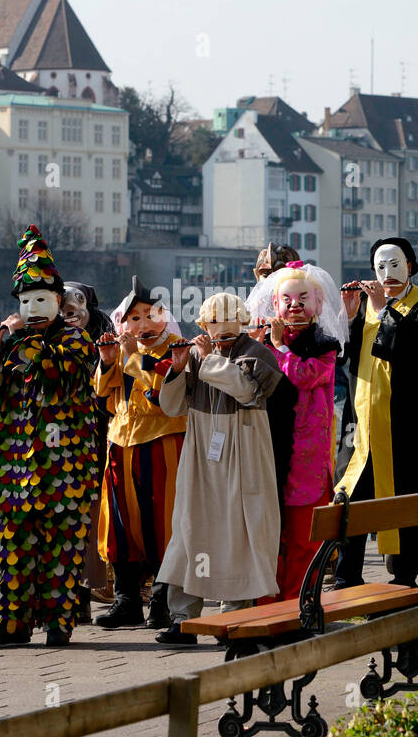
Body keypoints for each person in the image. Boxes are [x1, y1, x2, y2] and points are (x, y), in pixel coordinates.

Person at [0, 225, 102, 647]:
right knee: (15, 551)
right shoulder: (8, 349)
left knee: (63, 549)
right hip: (17, 467)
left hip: (67, 466)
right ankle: (12, 623)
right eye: (26, 302)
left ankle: (59, 624)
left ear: (59, 302)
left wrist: (16, 341)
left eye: (41, 300)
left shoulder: (77, 340)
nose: (33, 309)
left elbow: (57, 370)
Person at [153, 292, 285, 645]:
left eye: (225, 324)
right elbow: (171, 407)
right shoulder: (196, 354)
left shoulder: (259, 353)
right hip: (201, 449)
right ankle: (184, 619)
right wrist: (179, 367)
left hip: (242, 449)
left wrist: (209, 358)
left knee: (238, 532)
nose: (218, 332)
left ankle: (234, 618)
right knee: (189, 528)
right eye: (212, 324)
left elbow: (245, 391)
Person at [334, 236, 418, 589]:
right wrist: (352, 316)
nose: (387, 273)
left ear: (411, 266)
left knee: (404, 502)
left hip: (407, 429)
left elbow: (411, 350)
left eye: (395, 265)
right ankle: (346, 577)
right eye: (380, 267)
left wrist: (384, 308)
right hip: (363, 428)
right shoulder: (368, 306)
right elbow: (344, 357)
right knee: (350, 500)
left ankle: (404, 576)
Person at [91, 276, 189, 630]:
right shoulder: (121, 350)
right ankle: (126, 600)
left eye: (150, 315)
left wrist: (132, 357)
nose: (143, 325)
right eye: (135, 318)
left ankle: (162, 602)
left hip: (163, 444)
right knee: (119, 525)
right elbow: (102, 394)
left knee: (163, 525)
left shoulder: (177, 348)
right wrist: (105, 360)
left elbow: (164, 394)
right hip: (121, 445)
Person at [247, 261, 348, 601]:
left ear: (317, 304)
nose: (295, 307)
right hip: (270, 446)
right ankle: (266, 604)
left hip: (307, 452)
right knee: (270, 532)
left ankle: (295, 605)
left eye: (303, 299)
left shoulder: (325, 343)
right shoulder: (262, 340)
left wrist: (279, 348)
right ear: (275, 305)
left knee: (303, 536)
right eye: (287, 300)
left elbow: (304, 376)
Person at [62, 281, 115, 618]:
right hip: (62, 438)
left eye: (75, 310)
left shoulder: (104, 338)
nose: (69, 317)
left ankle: (84, 593)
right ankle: (65, 596)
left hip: (96, 439)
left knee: (92, 517)